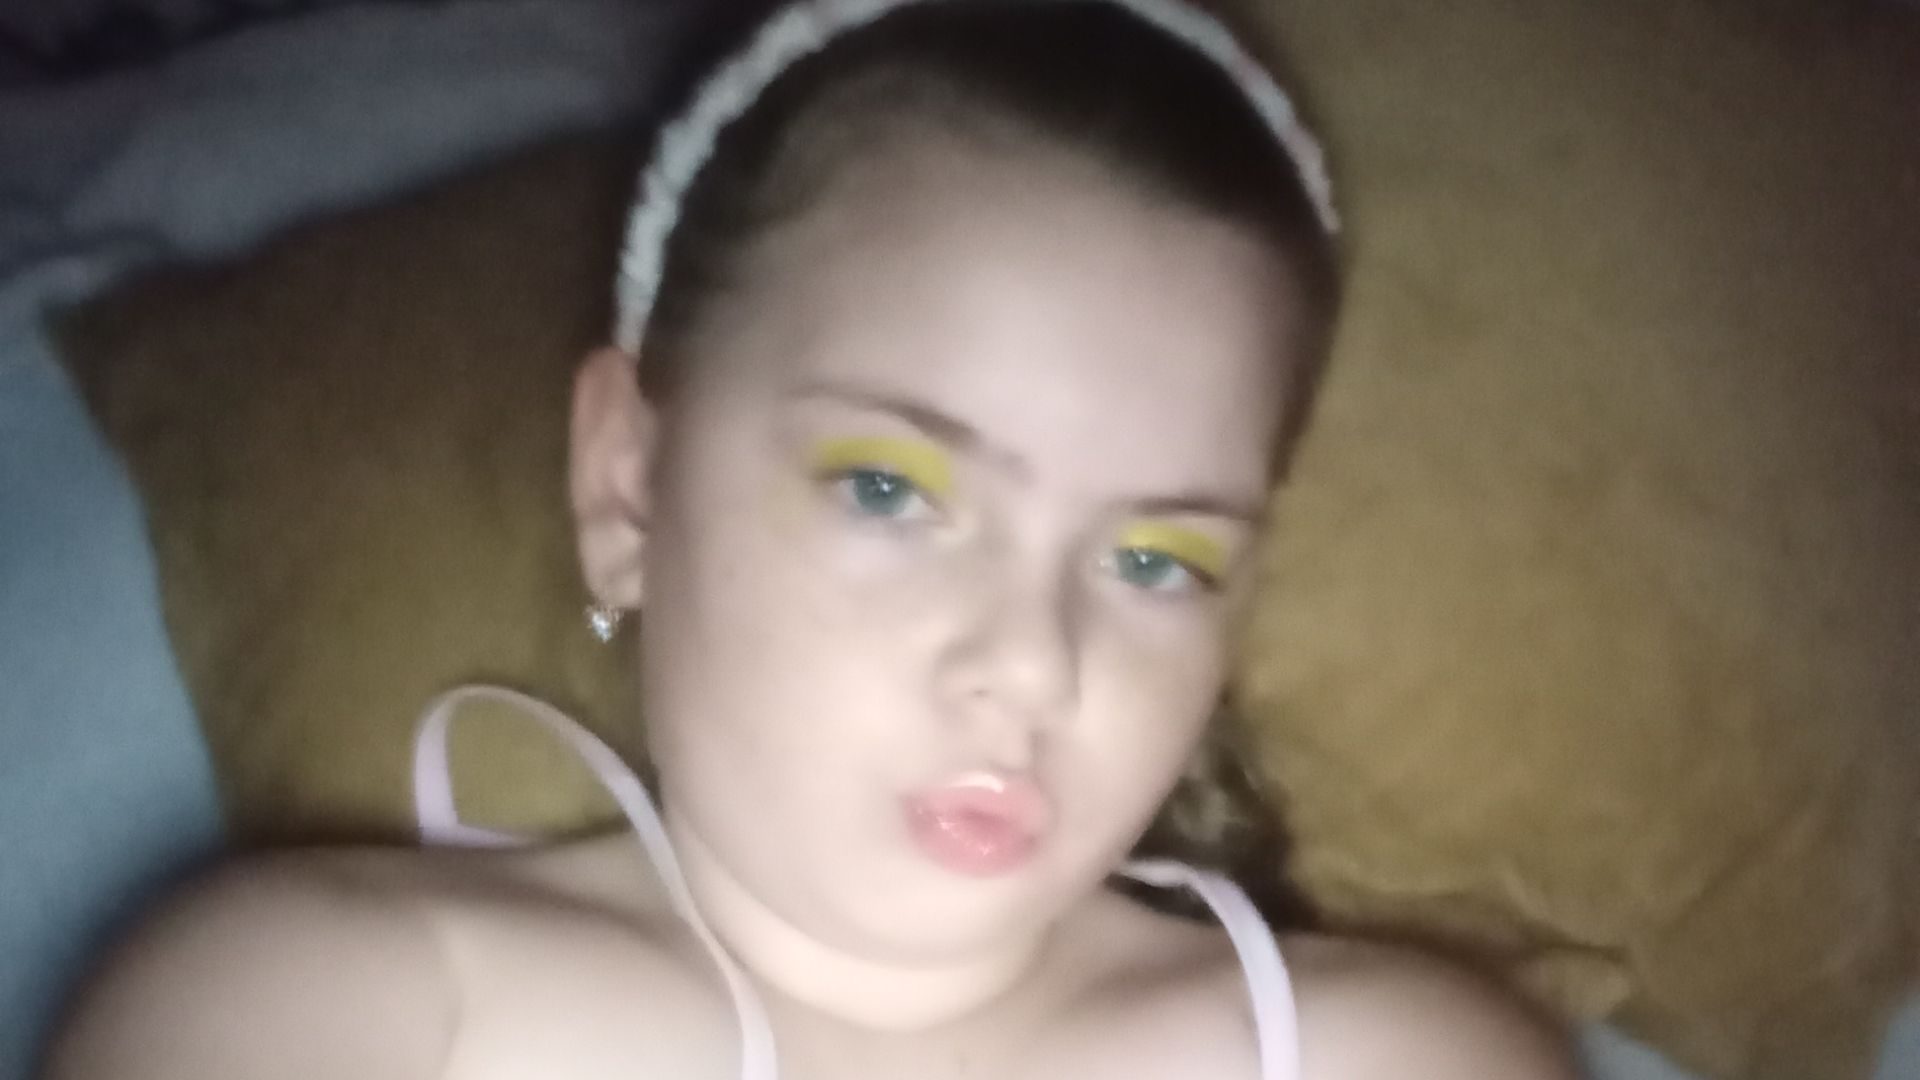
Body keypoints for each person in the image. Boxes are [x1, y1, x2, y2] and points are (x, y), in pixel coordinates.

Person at [45, 1, 1582, 1077]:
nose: (1029, 664)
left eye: (1151, 562)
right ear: (629, 484)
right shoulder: (313, 1004)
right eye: (890, 491)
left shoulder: (1387, 1060)